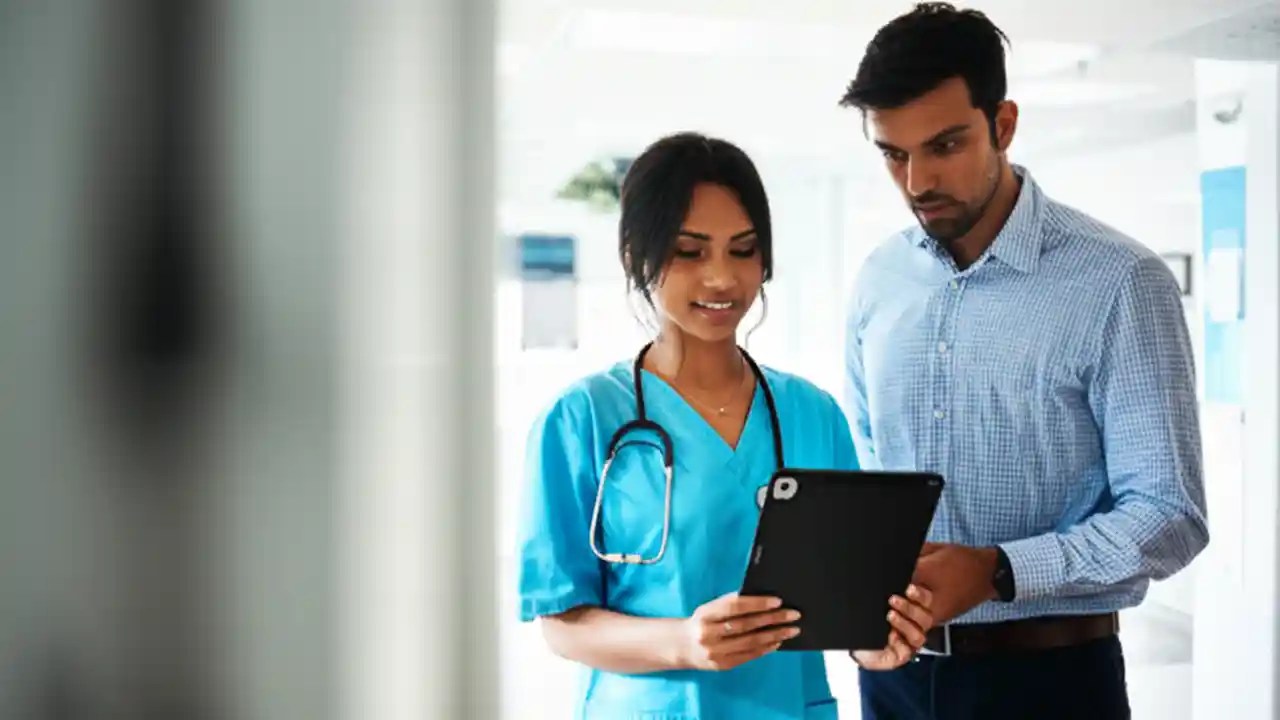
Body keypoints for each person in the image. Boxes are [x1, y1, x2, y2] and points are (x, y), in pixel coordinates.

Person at [838, 4, 1210, 719]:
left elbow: (1170, 515)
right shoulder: (879, 281)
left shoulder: (1118, 283)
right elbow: (871, 471)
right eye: (893, 153)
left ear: (1003, 125)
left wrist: (997, 571)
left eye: (945, 145)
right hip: (894, 679)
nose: (916, 181)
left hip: (1052, 680)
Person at [515, 132, 935, 719]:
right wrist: (682, 643)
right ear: (638, 254)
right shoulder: (582, 419)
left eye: (743, 250)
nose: (722, 278)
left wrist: (877, 644)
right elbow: (562, 624)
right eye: (690, 251)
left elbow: (846, 603)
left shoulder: (812, 415)